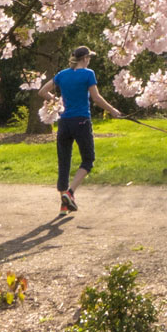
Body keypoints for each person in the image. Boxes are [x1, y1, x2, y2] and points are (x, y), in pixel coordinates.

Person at [45, 46, 118, 214]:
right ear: (85, 58)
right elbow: (96, 98)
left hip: (64, 123)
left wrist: (57, 101)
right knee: (88, 160)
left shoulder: (62, 75)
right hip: (81, 121)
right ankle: (70, 193)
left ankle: (64, 205)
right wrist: (113, 110)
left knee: (64, 162)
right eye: (89, 58)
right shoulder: (88, 74)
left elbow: (43, 91)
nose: (89, 60)